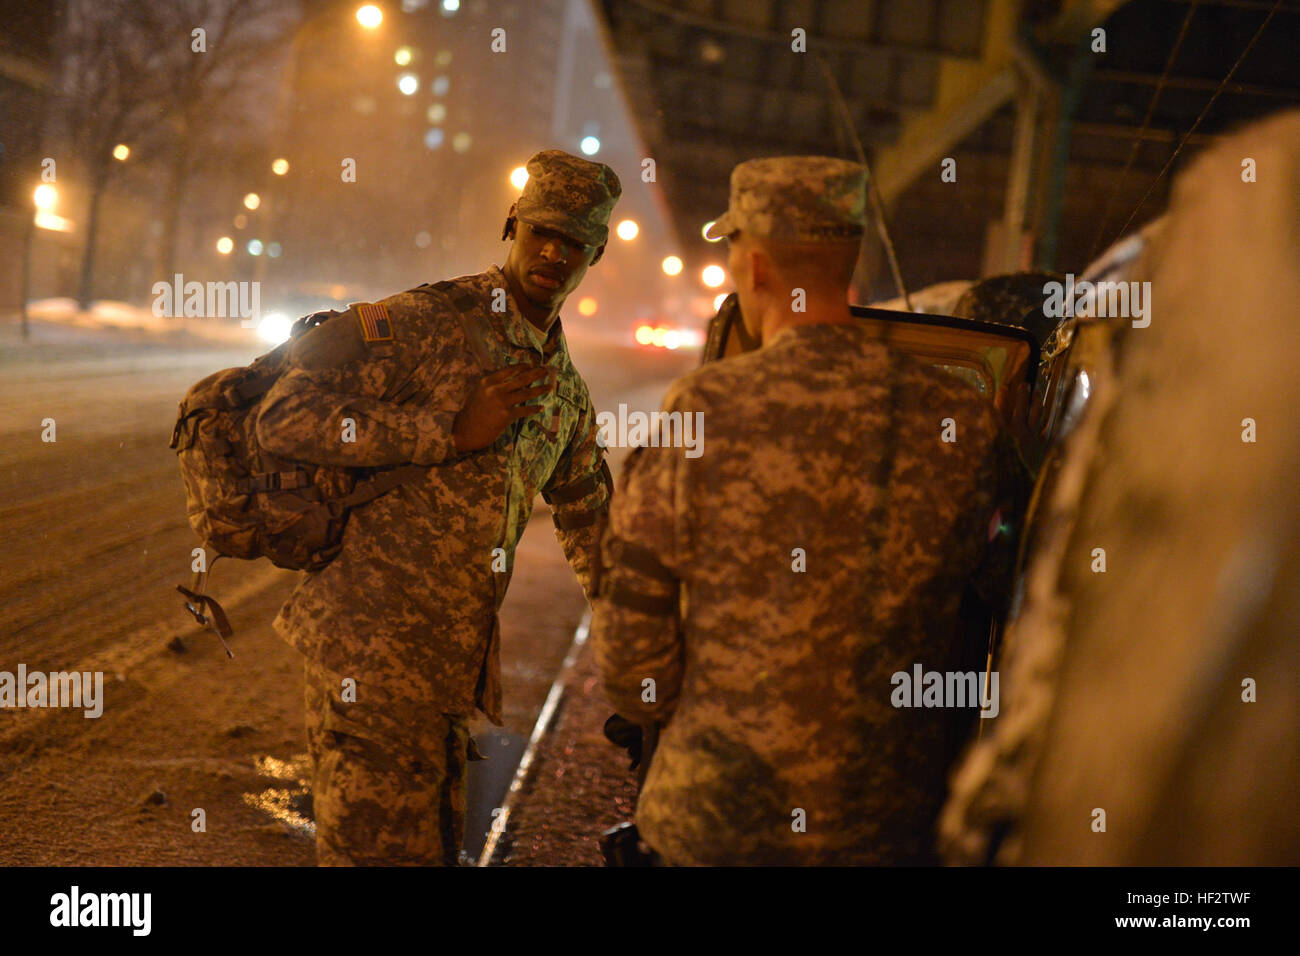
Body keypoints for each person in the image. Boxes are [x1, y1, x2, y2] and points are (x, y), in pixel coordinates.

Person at [591, 155, 1024, 865]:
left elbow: (632, 637)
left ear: (755, 268)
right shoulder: (962, 421)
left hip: (716, 820)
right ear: (847, 260)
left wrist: (680, 718)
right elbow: (1008, 598)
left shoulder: (704, 409)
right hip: (886, 828)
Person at [255, 148, 619, 865]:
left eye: (575, 241)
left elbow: (590, 520)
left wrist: (649, 649)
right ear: (511, 224)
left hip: (449, 681)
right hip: (367, 659)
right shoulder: (426, 324)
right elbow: (282, 414)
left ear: (596, 254)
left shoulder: (564, 390)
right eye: (542, 230)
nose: (554, 251)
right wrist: (444, 433)